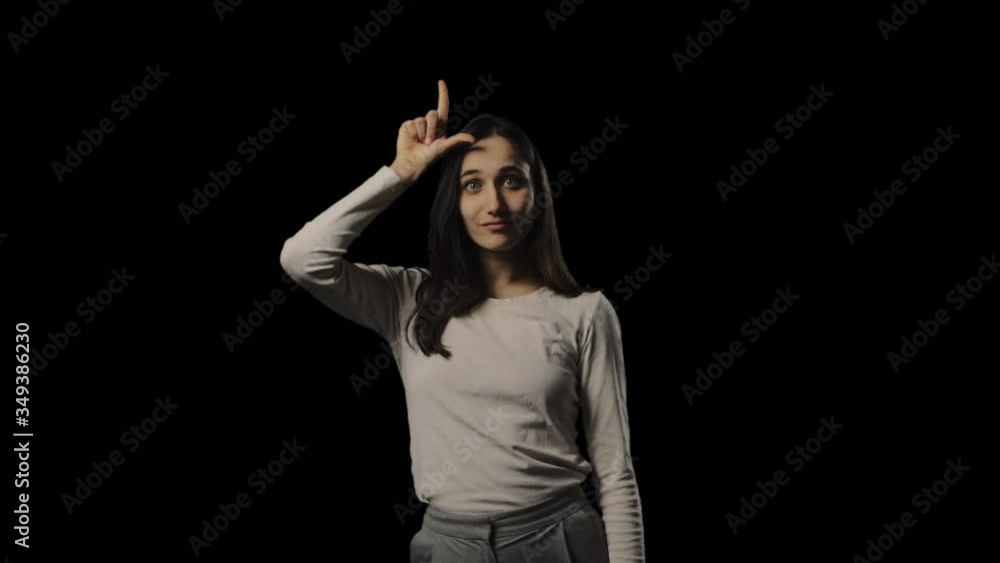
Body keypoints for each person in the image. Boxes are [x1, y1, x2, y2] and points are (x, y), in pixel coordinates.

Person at [280, 80, 645, 562]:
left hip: (559, 538)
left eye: (511, 180)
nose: (493, 203)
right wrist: (402, 172)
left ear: (537, 195)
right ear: (453, 201)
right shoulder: (409, 298)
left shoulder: (585, 312)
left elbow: (615, 470)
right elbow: (303, 258)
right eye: (472, 184)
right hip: (448, 546)